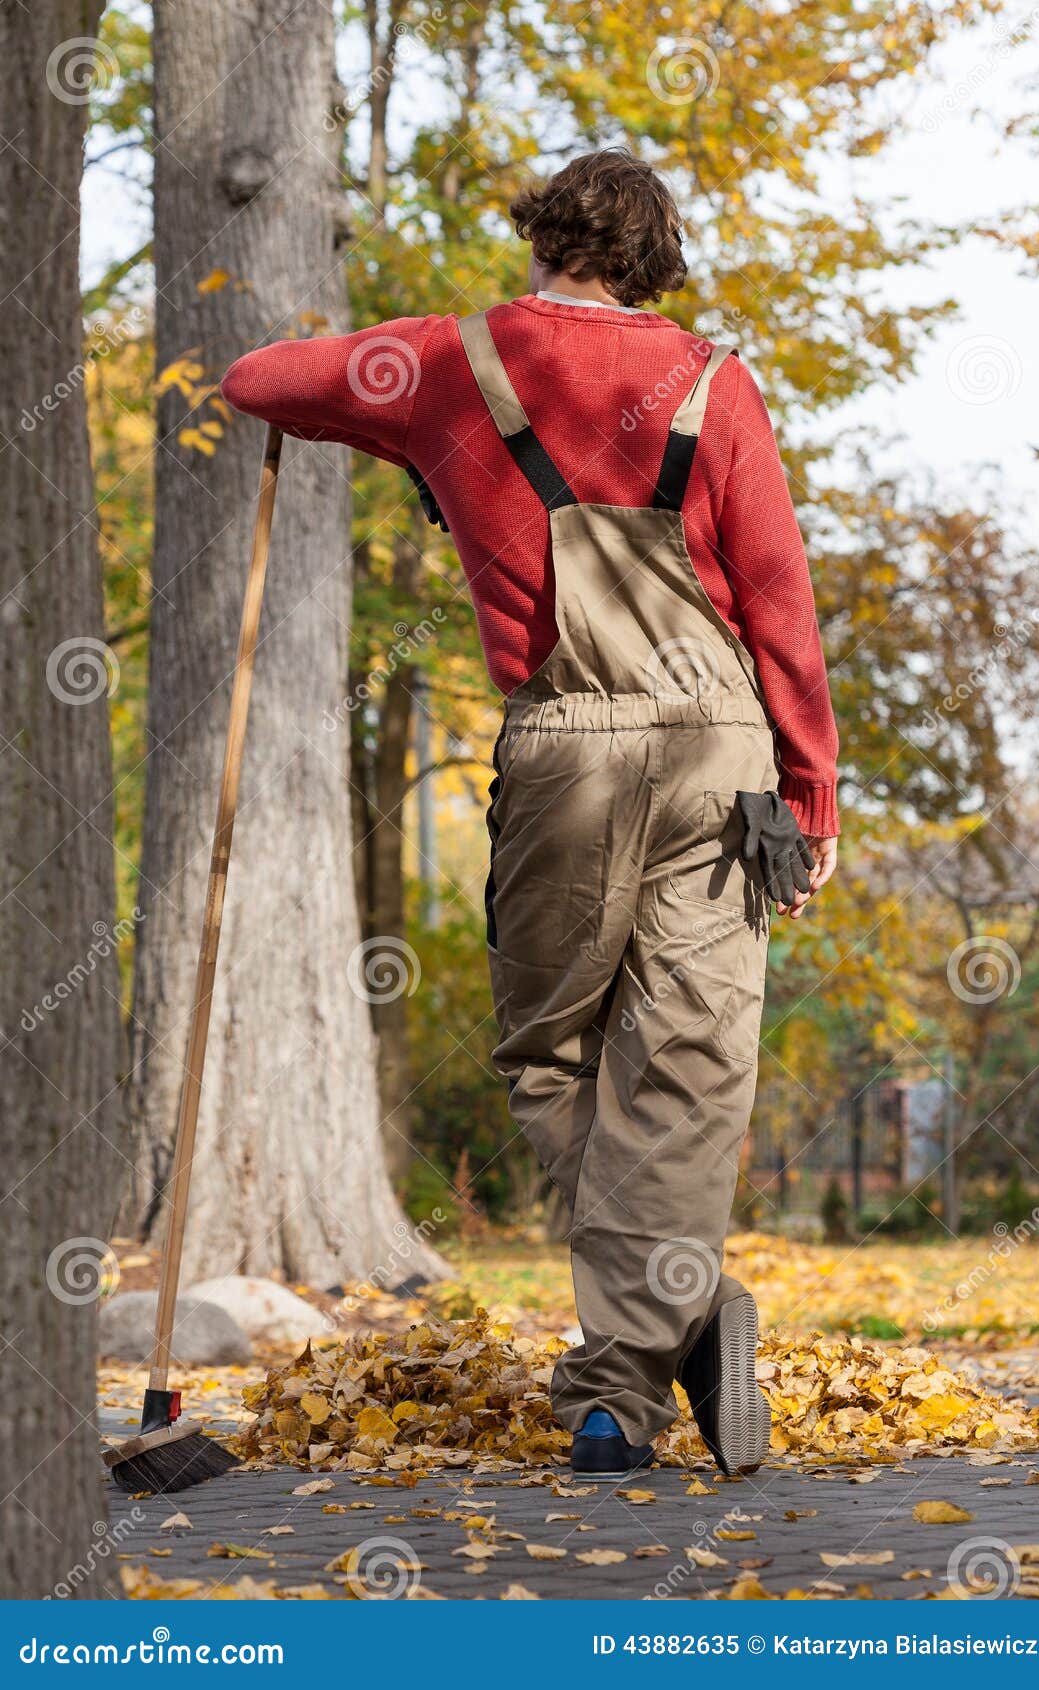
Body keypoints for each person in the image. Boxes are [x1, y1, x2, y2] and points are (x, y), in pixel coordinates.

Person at [221, 146, 840, 1479]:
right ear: (655, 264)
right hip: (724, 752)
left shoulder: (451, 362)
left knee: (550, 1053)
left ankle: (643, 1360)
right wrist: (811, 787)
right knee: (686, 1067)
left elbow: (259, 380)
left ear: (543, 239)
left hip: (566, 748)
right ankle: (647, 1351)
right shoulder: (715, 381)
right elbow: (779, 596)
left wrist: (389, 422)